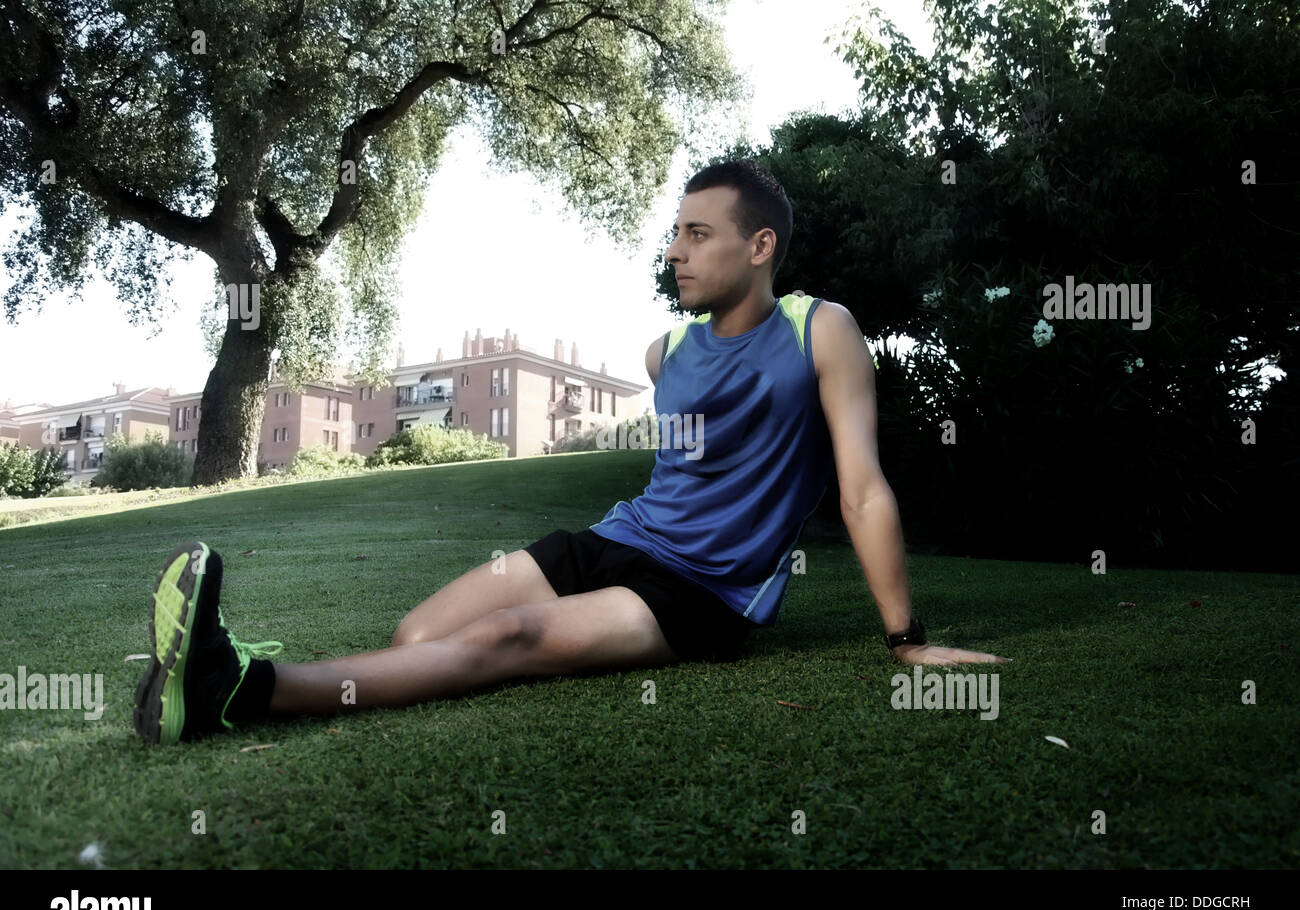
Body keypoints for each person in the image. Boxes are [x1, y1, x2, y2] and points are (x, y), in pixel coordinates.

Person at [134, 159, 1007, 746]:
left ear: (761, 245)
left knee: (509, 636)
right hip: (615, 540)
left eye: (698, 234)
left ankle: (239, 689)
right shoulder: (665, 353)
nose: (675, 251)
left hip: (703, 593)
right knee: (420, 632)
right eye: (675, 233)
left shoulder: (822, 331)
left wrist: (906, 641)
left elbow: (861, 490)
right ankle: (255, 678)